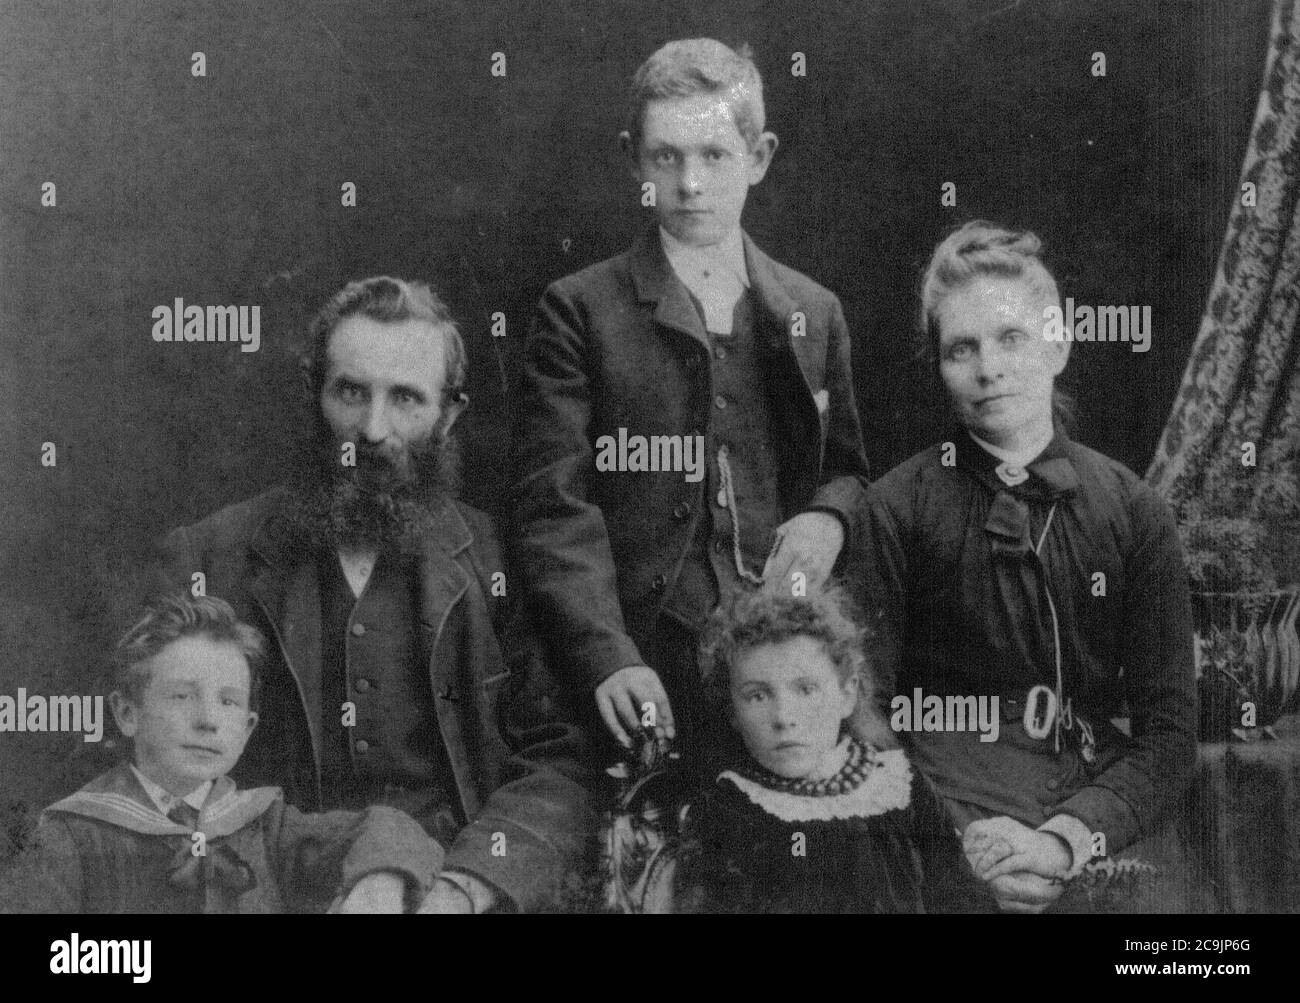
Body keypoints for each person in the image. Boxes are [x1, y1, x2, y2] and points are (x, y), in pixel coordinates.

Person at [150, 276, 594, 913]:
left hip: (455, 888)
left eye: (407, 400)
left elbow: (561, 759)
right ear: (314, 394)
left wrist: (465, 890)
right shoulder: (207, 558)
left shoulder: (501, 562)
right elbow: (147, 769)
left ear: (449, 416)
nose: (373, 428)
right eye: (351, 393)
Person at [512, 38, 870, 763]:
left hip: (779, 662)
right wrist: (608, 654)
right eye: (665, 157)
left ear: (760, 156)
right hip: (645, 652)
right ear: (632, 160)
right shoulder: (579, 308)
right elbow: (552, 503)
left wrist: (830, 517)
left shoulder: (813, 309)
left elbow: (849, 470)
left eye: (715, 155)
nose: (690, 184)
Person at [858, 221, 1197, 912]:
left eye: (1011, 338)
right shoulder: (893, 508)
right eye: (962, 348)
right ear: (939, 365)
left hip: (1094, 814)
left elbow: (1170, 733)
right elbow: (865, 717)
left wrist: (1068, 838)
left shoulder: (1135, 512)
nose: (989, 368)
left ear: (1059, 343)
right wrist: (962, 845)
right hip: (940, 824)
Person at [0, 594, 442, 913]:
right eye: (181, 696)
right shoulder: (69, 835)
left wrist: (378, 884)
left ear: (247, 729)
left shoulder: (267, 825)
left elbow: (389, 829)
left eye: (229, 701)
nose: (209, 720)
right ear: (127, 712)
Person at [668, 588, 992, 913]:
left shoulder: (901, 787)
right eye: (758, 696)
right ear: (733, 713)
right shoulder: (726, 809)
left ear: (846, 695)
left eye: (806, 689)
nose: (784, 718)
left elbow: (963, 901)